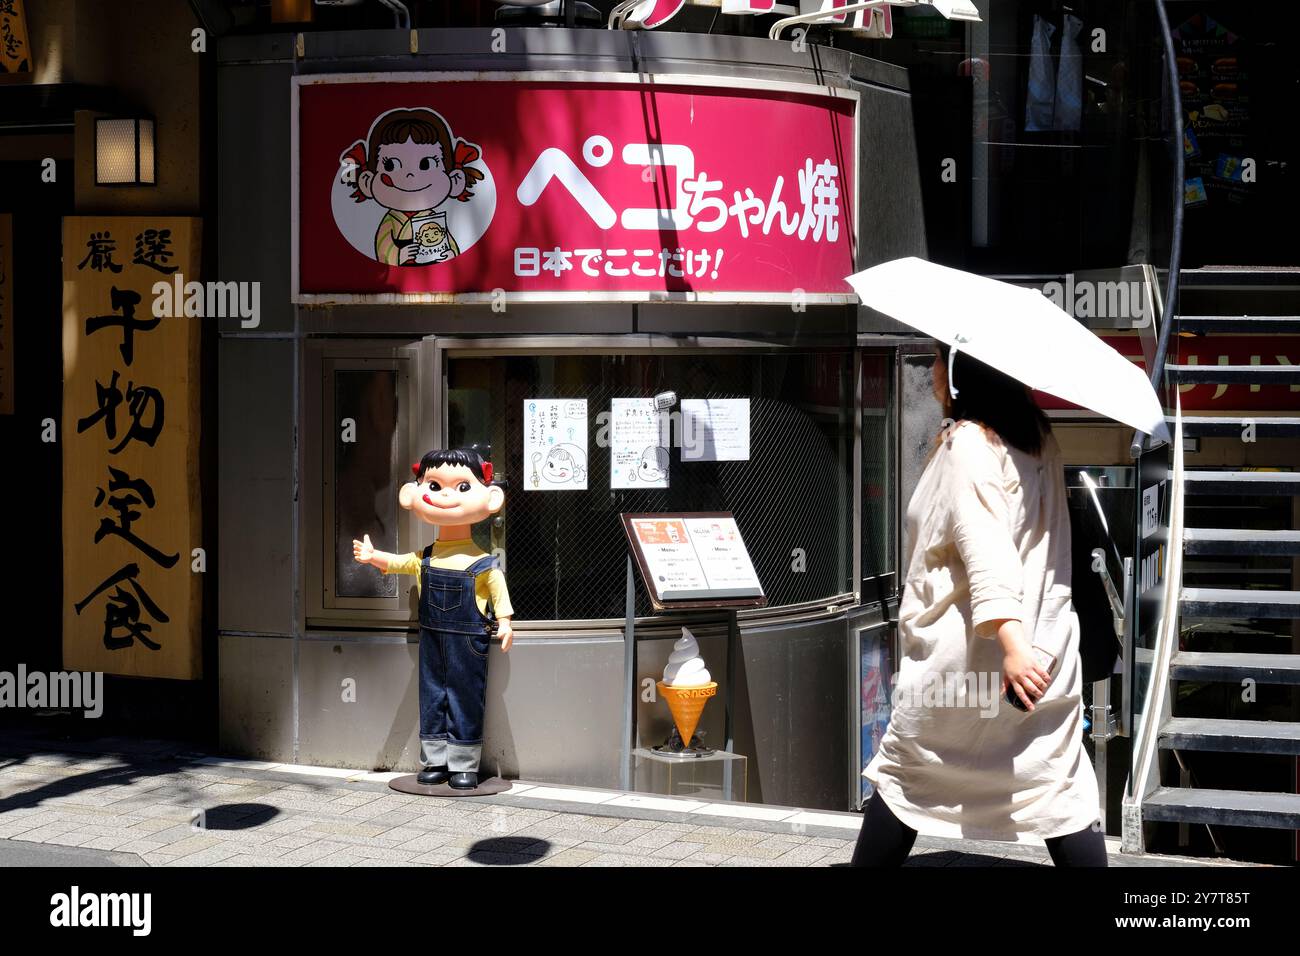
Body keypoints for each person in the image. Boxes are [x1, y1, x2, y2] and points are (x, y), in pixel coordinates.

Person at [853, 343, 1105, 867]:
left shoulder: (968, 443)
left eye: (941, 361)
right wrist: (1026, 647)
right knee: (1056, 785)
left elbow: (983, 545)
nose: (934, 373)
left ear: (965, 372)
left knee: (909, 773)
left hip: (974, 662)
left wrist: (1010, 645)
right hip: (1045, 653)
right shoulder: (1036, 438)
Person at [353, 447, 512, 791]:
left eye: (463, 487)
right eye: (434, 486)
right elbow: (397, 562)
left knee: (465, 696)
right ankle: (436, 761)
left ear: (492, 498)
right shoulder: (424, 557)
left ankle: (464, 764)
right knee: (433, 695)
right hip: (432, 639)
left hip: (469, 642)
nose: (445, 497)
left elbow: (498, 592)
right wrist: (373, 556)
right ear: (413, 494)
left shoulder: (485, 563)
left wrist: (506, 621)